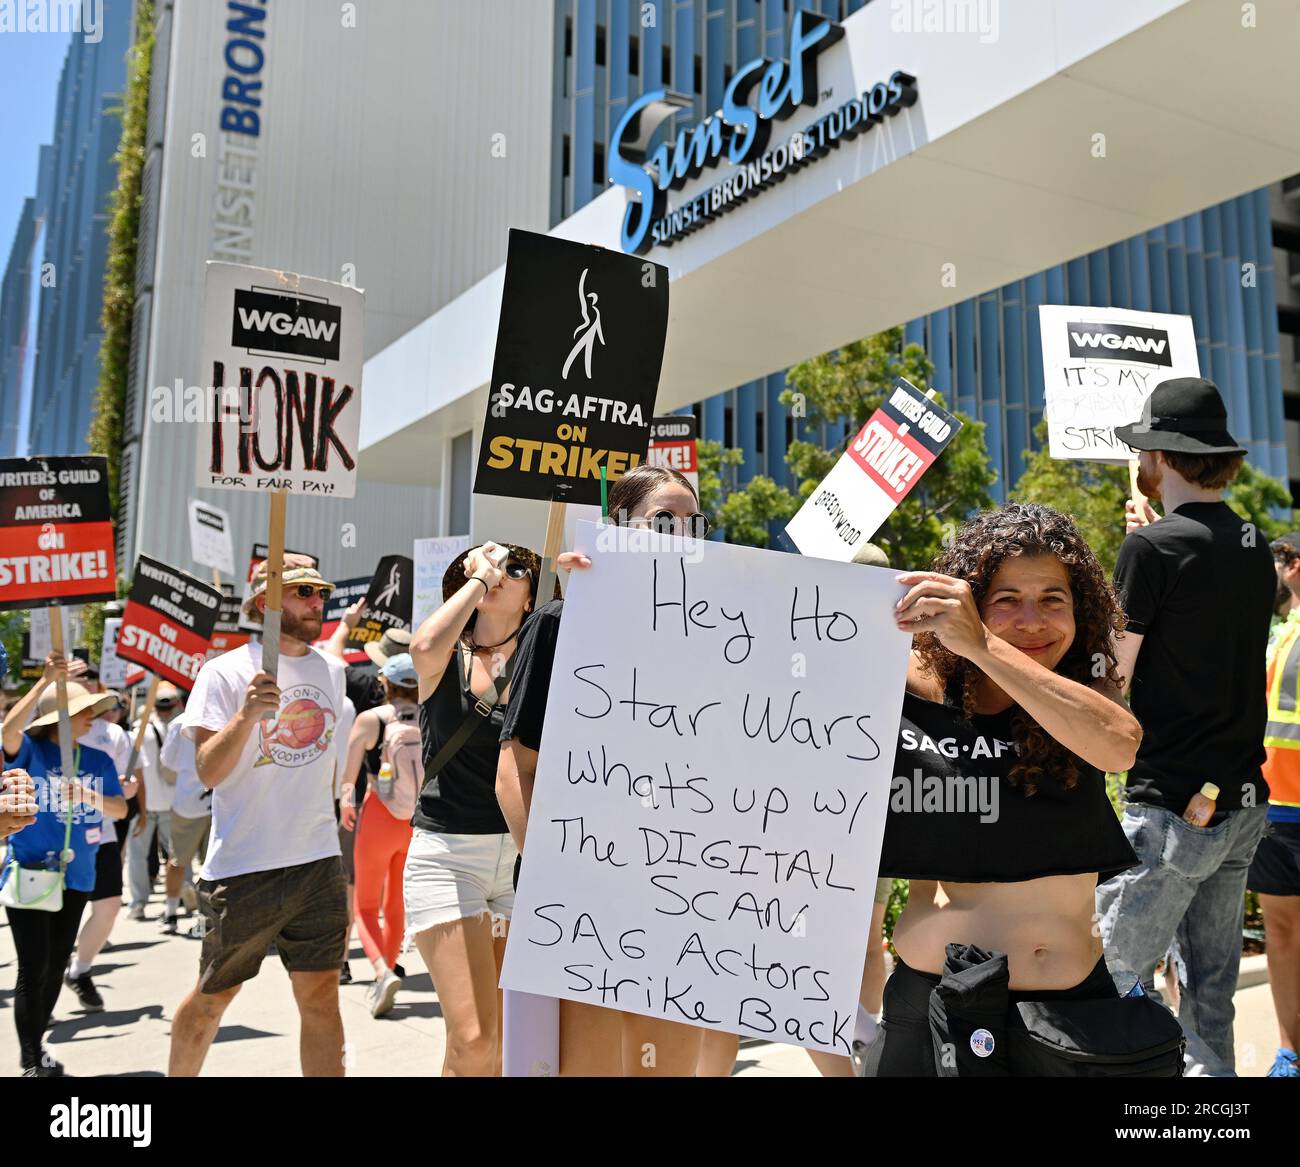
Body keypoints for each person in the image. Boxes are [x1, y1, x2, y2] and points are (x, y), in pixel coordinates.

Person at [860, 503, 1150, 1076]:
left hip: (1069, 1015)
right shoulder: (920, 678)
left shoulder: (1086, 685)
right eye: (1006, 600)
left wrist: (985, 647)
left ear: (1079, 607)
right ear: (970, 603)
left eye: (1052, 599)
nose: (1032, 620)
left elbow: (1119, 746)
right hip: (935, 1005)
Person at [496, 464, 722, 1076]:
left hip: (683, 890)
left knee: (667, 1067)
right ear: (619, 526)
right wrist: (554, 876)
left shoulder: (724, 634)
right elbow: (516, 769)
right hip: (585, 895)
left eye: (695, 522)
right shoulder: (564, 623)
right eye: (664, 520)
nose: (682, 533)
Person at [1099, 377, 1274, 1077]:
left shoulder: (1151, 552)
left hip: (1171, 803)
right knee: (1210, 998)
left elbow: (1111, 677)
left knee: (1100, 982)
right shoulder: (1256, 544)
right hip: (1238, 802)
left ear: (1161, 457)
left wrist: (1134, 564)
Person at [167, 554, 349, 1077]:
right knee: (212, 1000)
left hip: (318, 861)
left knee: (321, 997)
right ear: (267, 604)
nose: (318, 601)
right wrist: (247, 715)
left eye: (321, 592)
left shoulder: (331, 671)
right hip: (245, 867)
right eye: (304, 592)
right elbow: (207, 771)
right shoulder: (224, 672)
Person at [405, 541, 548, 1075]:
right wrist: (478, 580)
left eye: (517, 570)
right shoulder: (444, 658)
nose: (502, 574)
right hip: (448, 858)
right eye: (491, 564)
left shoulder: (544, 663)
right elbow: (421, 646)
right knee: (473, 1038)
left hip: (518, 862)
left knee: (501, 1045)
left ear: (532, 597)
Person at [2, 661, 126, 1075]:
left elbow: (120, 808)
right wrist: (43, 683)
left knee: (56, 964)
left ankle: (36, 1046)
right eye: (85, 711)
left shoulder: (97, 759)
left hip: (78, 876)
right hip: (33, 872)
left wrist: (89, 798)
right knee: (31, 967)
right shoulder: (32, 751)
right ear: (62, 719)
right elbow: (8, 733)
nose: (94, 716)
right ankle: (31, 1059)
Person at [341, 653, 419, 1016]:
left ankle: (380, 970)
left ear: (385, 684)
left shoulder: (370, 719)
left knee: (365, 905)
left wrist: (346, 804)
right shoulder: (431, 715)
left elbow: (348, 778)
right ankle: (386, 973)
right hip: (415, 822)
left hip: (378, 815)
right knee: (397, 905)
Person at [1248, 534, 1300, 1076]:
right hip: (1275, 809)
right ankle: (1291, 1053)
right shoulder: (1275, 635)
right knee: (1282, 933)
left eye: (1280, 560)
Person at [64, 692, 143, 1012]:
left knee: (109, 906)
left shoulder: (114, 735)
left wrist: (127, 789)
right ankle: (42, 992)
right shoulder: (43, 736)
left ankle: (80, 970)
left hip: (103, 833)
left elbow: (125, 782)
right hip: (59, 836)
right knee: (58, 917)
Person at [126, 681, 183, 922]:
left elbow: (131, 770)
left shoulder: (138, 730)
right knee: (179, 855)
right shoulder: (183, 729)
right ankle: (182, 892)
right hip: (174, 803)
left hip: (145, 804)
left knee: (138, 857)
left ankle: (138, 903)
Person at [160, 701, 211, 940]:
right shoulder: (227, 718)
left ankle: (173, 913)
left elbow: (168, 762)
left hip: (190, 802)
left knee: (179, 860)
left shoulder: (179, 724)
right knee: (207, 864)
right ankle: (203, 917)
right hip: (210, 803)